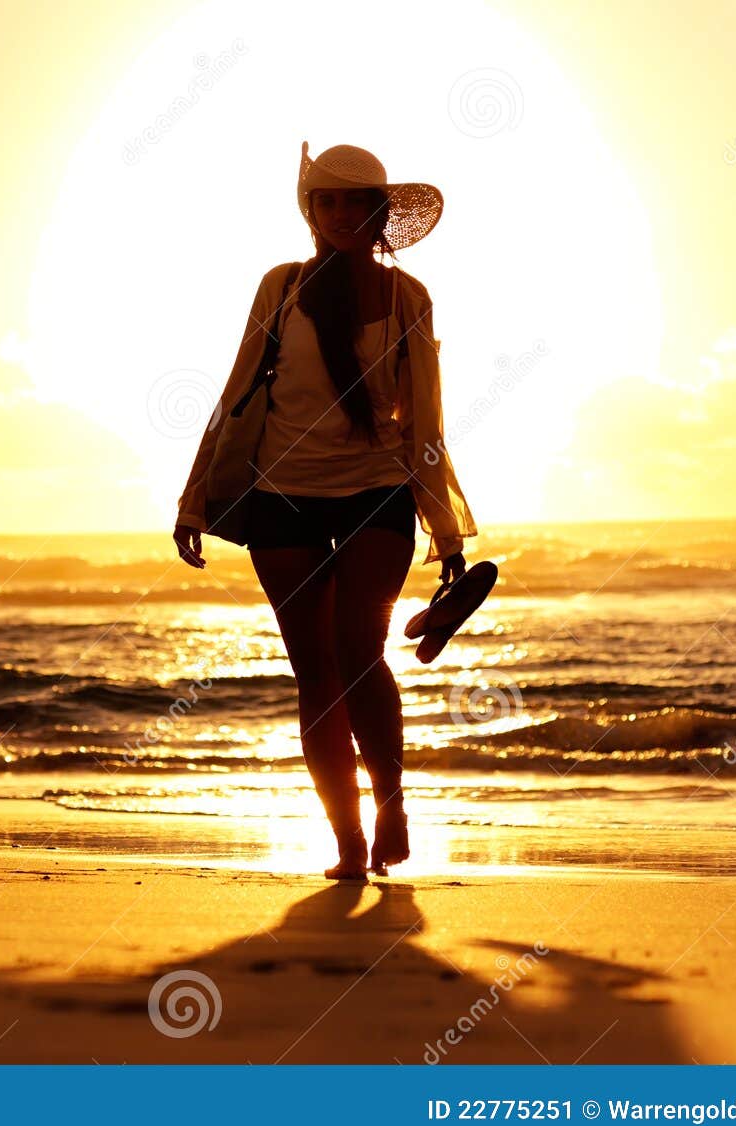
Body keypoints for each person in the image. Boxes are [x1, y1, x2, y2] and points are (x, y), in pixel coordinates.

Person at [172, 142, 478, 881]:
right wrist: (194, 495)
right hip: (282, 493)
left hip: (378, 488)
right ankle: (345, 841)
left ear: (378, 214)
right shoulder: (280, 288)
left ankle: (392, 801)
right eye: (327, 201)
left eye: (356, 202)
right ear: (311, 211)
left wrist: (444, 528)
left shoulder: (409, 299)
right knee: (316, 672)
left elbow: (426, 422)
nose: (341, 214)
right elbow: (238, 389)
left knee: (358, 655)